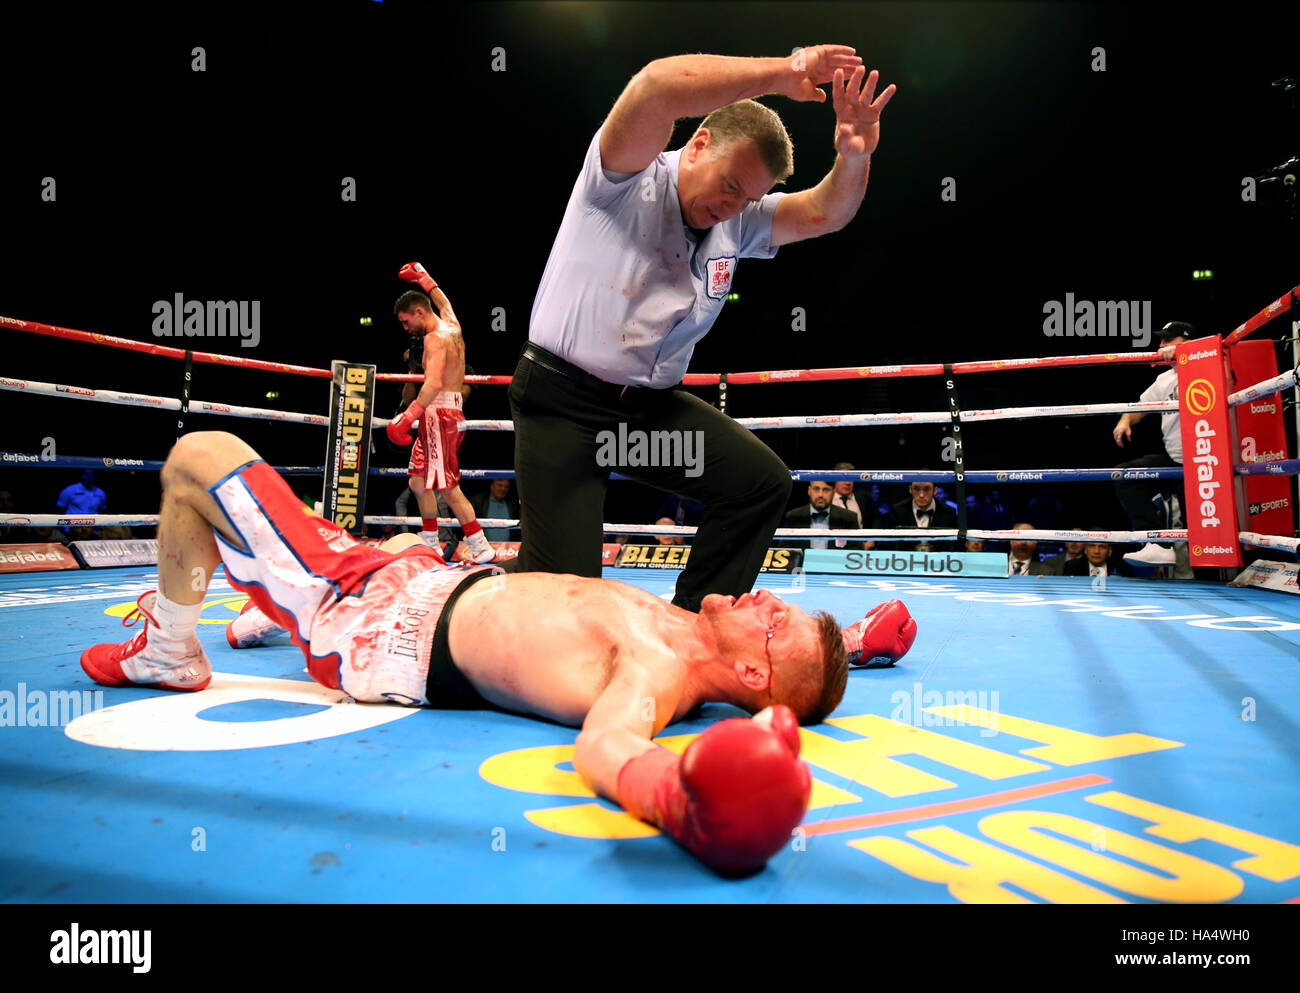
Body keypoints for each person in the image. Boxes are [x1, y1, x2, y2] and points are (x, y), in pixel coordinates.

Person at [79, 430, 917, 874]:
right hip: (419, 575)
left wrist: (675, 794)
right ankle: (231, 613)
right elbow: (787, 666)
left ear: (748, 675)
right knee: (393, 528)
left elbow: (609, 745)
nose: (767, 596)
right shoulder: (680, 623)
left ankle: (170, 648)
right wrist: (859, 649)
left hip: (375, 624)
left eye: (776, 621)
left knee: (198, 459)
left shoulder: (656, 674)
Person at [505, 47, 896, 612]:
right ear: (699, 144)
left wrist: (855, 154)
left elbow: (824, 212)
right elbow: (657, 84)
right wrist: (786, 73)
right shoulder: (622, 175)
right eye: (731, 185)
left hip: (642, 422)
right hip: (563, 408)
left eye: (751, 198)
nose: (733, 206)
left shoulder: (738, 223)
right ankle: (442, 585)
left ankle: (696, 632)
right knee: (565, 597)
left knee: (759, 486)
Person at [388, 264, 495, 563]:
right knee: (417, 483)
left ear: (419, 313)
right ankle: (431, 543)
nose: (405, 328)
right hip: (441, 412)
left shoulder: (434, 340)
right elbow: (443, 302)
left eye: (406, 321)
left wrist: (407, 417)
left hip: (438, 413)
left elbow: (433, 383)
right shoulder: (451, 323)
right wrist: (425, 278)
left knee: (447, 487)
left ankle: (480, 545)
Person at [1112, 321, 1192, 567]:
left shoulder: (1212, 364)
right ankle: (1157, 544)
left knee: (1202, 529)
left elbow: (1217, 351)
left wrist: (1186, 353)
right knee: (1125, 475)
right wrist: (1125, 421)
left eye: (1168, 340)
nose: (1161, 346)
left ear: (1186, 340)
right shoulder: (1164, 379)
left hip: (1205, 459)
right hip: (1174, 460)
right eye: (1161, 340)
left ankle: (1222, 580)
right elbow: (1140, 407)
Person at [875, 481, 958, 551]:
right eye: (916, 489)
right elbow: (888, 544)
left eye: (926, 489)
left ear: (935, 490)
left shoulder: (949, 512)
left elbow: (954, 546)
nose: (921, 495)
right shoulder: (897, 511)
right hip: (905, 564)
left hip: (940, 565)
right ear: (910, 489)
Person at [784, 480, 859, 550]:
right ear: (809, 491)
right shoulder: (794, 516)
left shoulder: (848, 518)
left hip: (836, 563)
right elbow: (784, 549)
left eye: (826, 490)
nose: (820, 495)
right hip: (802, 564)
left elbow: (857, 551)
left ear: (834, 491)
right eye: (816, 489)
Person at [470, 478, 520, 542]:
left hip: (508, 549)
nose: (503, 489)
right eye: (500, 485)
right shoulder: (479, 502)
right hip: (484, 549)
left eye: (506, 487)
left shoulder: (513, 504)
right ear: (492, 486)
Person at [1063, 541, 1132, 578]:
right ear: (1085, 550)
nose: (1097, 551)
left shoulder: (1122, 568)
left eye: (1102, 547)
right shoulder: (1072, 566)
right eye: (1092, 546)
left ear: (1110, 551)